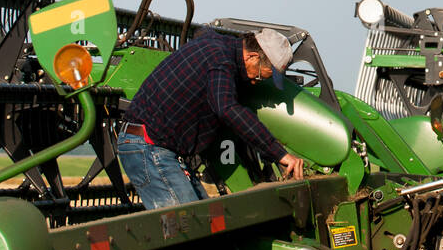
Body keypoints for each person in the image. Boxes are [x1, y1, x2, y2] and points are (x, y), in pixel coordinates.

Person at [116, 27, 305, 210]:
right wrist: (279, 153)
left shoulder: (218, 45)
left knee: (206, 220)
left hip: (164, 150)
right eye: (261, 75)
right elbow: (227, 109)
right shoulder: (220, 60)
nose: (256, 81)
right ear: (252, 57)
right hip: (147, 146)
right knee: (190, 226)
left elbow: (202, 31)